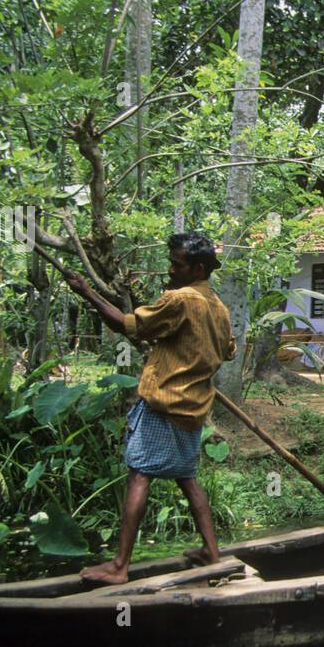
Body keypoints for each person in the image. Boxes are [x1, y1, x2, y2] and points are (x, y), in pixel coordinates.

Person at [64, 232, 236, 584]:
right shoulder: (219, 307)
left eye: (178, 264)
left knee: (139, 474)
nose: (170, 270)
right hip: (194, 408)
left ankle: (119, 567)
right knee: (187, 478)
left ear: (197, 268)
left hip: (164, 405)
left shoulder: (180, 299)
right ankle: (212, 553)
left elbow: (127, 324)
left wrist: (86, 292)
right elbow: (226, 350)